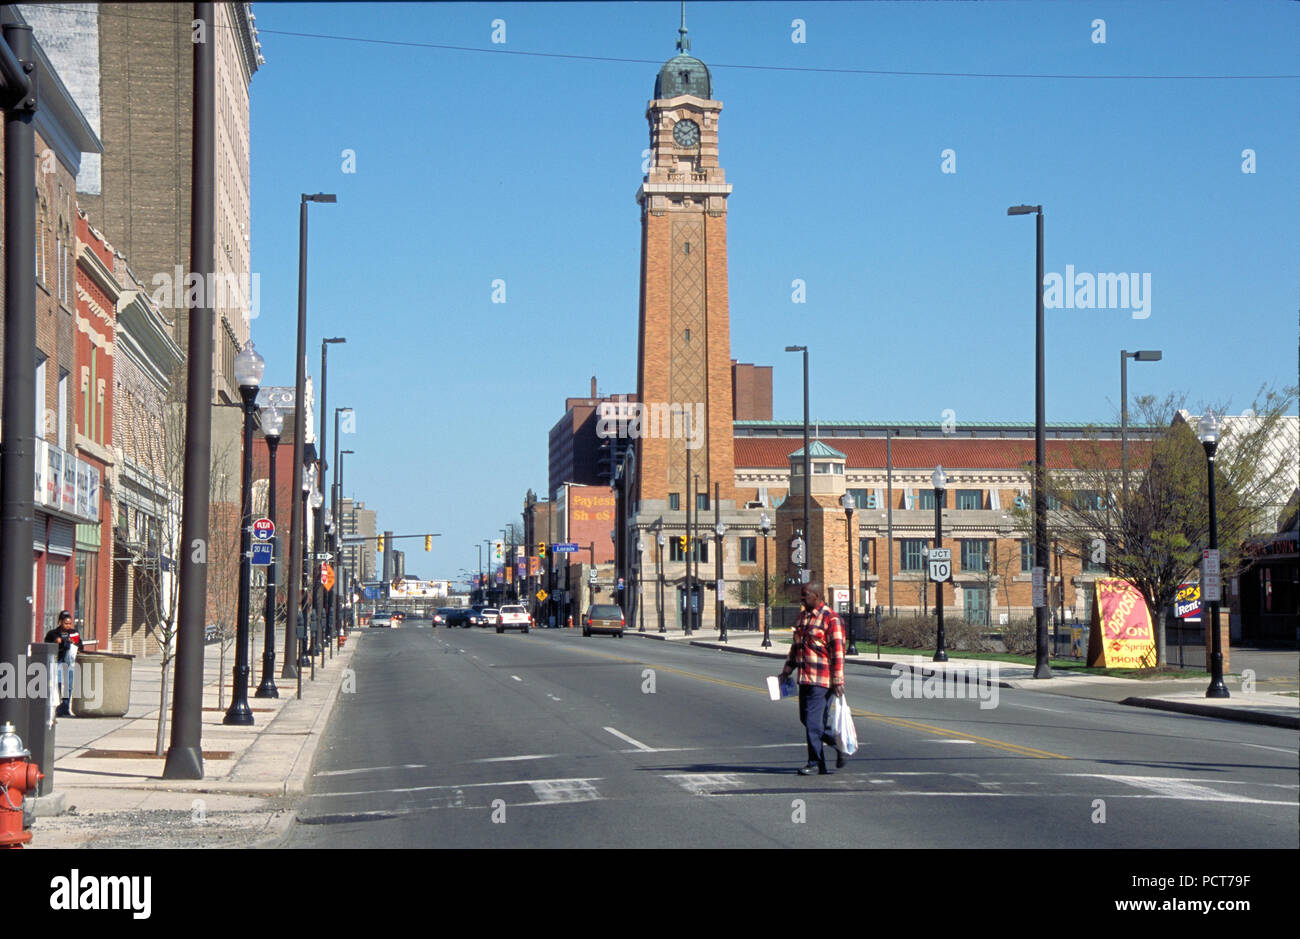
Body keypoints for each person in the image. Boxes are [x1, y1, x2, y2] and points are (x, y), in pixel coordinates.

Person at [779, 582, 846, 775]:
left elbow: (838, 652)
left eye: (805, 595)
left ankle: (814, 761)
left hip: (823, 680)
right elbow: (795, 647)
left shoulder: (831, 619)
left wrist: (838, 680)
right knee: (807, 720)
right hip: (805, 678)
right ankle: (837, 746)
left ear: (816, 595)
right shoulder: (802, 618)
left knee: (813, 723)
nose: (802, 598)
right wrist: (786, 670)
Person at [44, 610, 83, 718]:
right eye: (66, 623)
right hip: (58, 661)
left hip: (70, 662)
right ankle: (58, 706)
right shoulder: (53, 634)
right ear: (60, 622)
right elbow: (47, 644)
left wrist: (76, 645)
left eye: (70, 623)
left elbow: (80, 645)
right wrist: (57, 642)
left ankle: (65, 708)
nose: (68, 626)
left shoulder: (74, 633)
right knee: (59, 684)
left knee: (69, 685)